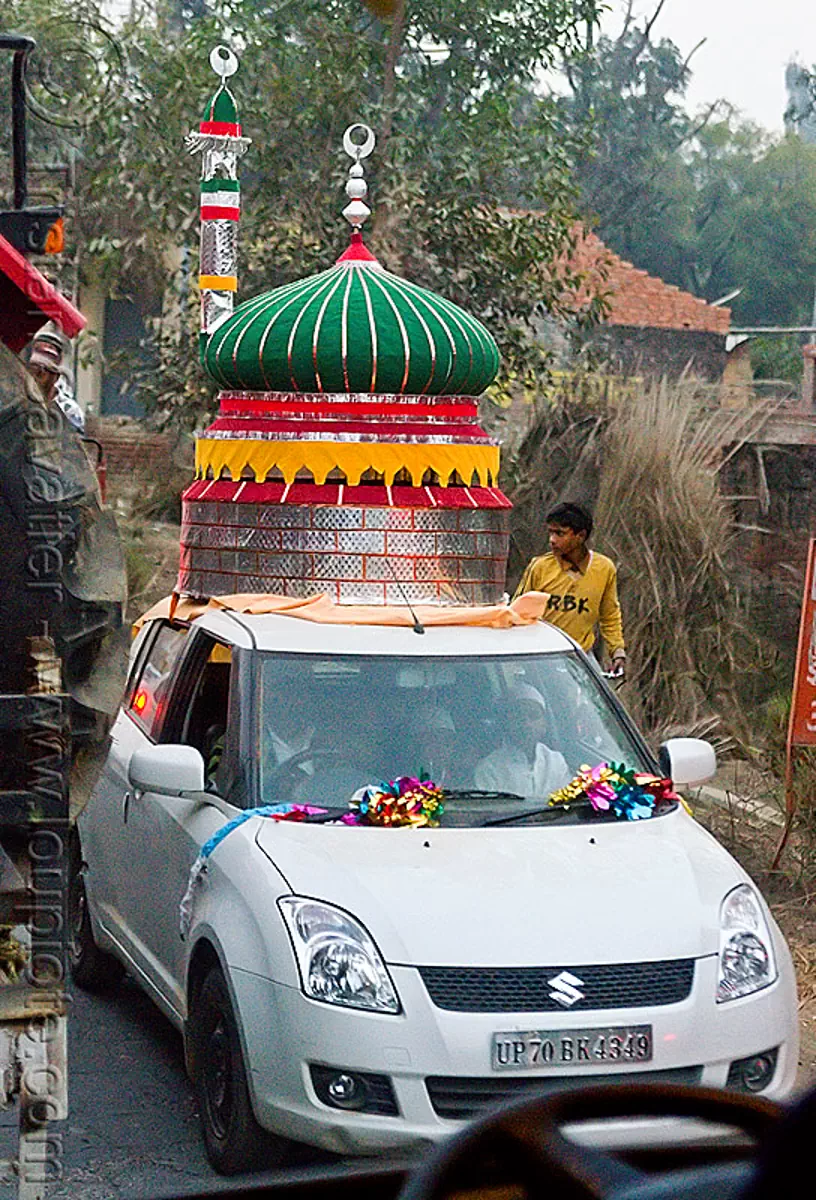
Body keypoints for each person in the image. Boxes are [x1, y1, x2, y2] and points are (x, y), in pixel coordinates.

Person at [514, 501, 626, 678]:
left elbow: (609, 615)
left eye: (560, 533)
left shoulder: (604, 569)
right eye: (550, 532)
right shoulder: (540, 567)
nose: (552, 540)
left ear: (580, 536)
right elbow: (518, 612)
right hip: (544, 657)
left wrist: (617, 651)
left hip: (581, 656)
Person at [474, 684, 571, 799]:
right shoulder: (489, 769)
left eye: (534, 716)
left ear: (544, 724)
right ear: (506, 723)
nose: (527, 724)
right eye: (518, 717)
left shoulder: (556, 761)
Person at [27, 325, 85, 431]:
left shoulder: (69, 410)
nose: (36, 377)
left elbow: (76, 442)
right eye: (34, 369)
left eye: (44, 370)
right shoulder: (21, 404)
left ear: (56, 376)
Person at [412, 703, 457, 786]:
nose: (441, 747)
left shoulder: (464, 778)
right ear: (418, 743)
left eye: (447, 740)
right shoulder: (402, 782)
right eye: (433, 740)